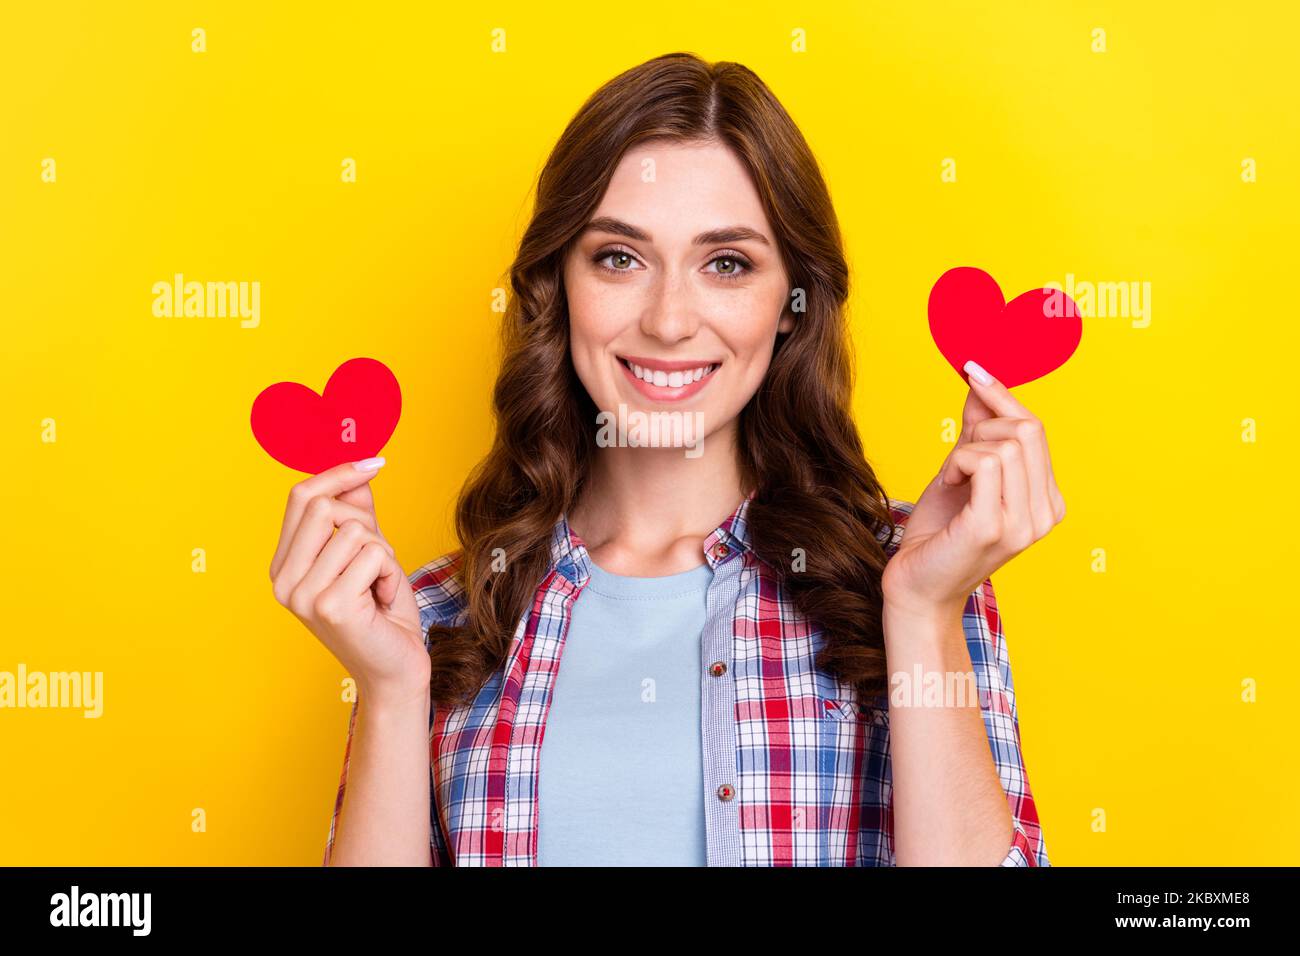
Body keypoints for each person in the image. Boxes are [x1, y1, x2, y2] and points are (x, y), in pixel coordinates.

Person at [269, 52, 1063, 867]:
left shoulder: (912, 573)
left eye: (727, 264)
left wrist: (925, 612)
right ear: (558, 286)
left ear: (791, 306)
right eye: (620, 257)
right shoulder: (439, 616)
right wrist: (392, 692)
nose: (670, 320)